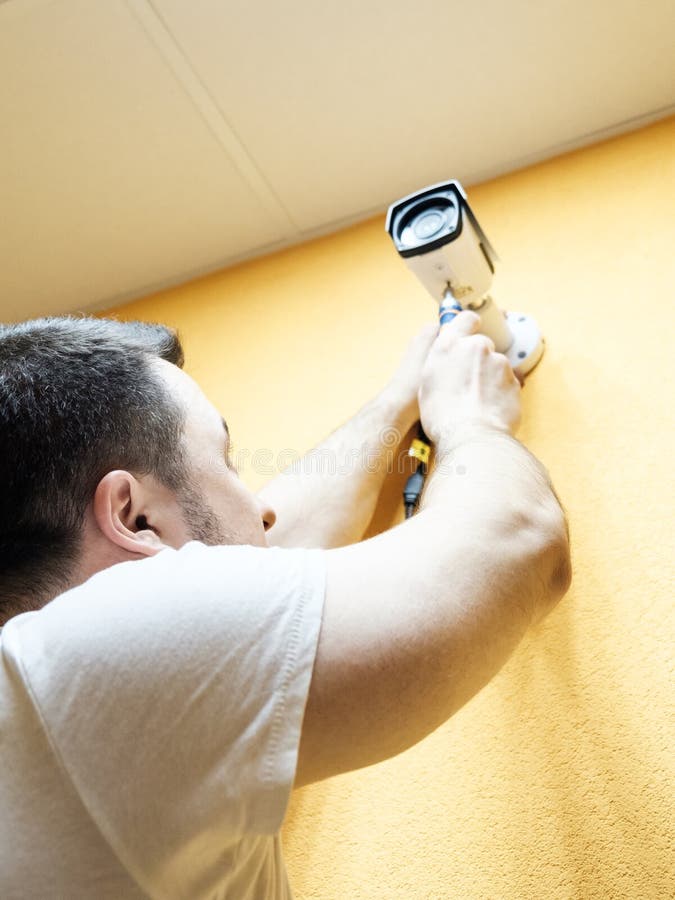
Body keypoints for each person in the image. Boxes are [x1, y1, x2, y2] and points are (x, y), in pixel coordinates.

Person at [0, 310, 571, 899]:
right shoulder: (90, 665)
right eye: (225, 461)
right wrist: (470, 418)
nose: (263, 509)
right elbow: (521, 538)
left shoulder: (47, 706)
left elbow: (265, 546)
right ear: (135, 517)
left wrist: (402, 399)